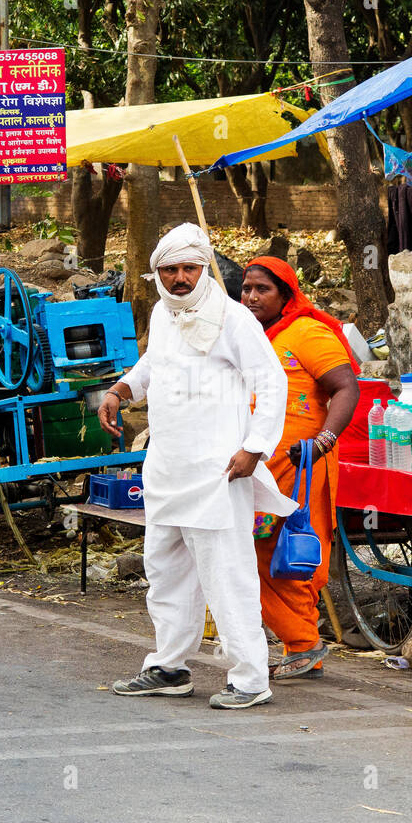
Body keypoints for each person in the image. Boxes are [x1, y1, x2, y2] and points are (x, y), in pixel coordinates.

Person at [97, 224, 297, 710]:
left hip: (218, 472)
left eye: (189, 268)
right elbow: (153, 365)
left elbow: (271, 383)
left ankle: (250, 678)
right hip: (166, 470)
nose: (181, 278)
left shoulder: (233, 318)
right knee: (165, 571)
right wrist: (121, 390)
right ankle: (169, 667)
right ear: (157, 274)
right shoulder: (165, 314)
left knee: (227, 575)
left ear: (204, 268)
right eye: (170, 270)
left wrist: (255, 447)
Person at [242, 257, 360, 680]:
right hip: (258, 467)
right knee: (251, 552)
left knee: (290, 553)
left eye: (263, 289)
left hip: (302, 467)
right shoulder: (249, 336)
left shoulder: (305, 331)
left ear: (286, 295)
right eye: (246, 289)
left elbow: (347, 387)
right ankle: (300, 642)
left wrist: (323, 441)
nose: (252, 297)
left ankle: (304, 644)